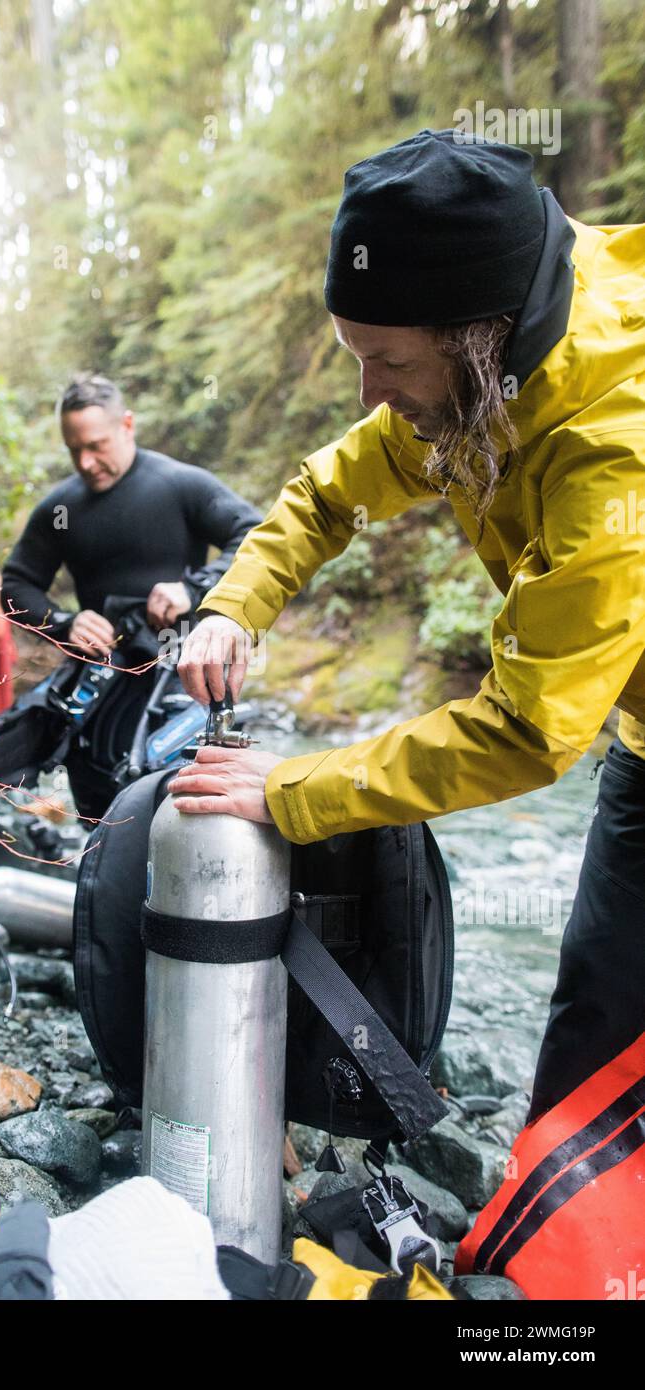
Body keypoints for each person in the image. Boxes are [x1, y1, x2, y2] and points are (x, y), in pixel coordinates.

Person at [171, 129, 645, 1278]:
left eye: (386, 361)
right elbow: (327, 489)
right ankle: (557, 1272)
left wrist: (293, 792)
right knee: (596, 1014)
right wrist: (233, 604)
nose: (369, 392)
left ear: (479, 347)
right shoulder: (477, 370)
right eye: (353, 354)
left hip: (587, 712)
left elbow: (527, 727)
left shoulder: (612, 452)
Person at [1, 372, 261, 818]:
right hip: (101, 684)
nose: (85, 461)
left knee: (184, 810)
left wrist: (194, 588)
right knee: (103, 818)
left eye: (96, 445)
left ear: (127, 425)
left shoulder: (180, 485)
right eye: (73, 449)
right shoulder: (60, 509)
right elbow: (15, 586)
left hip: (183, 676)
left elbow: (255, 534)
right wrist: (65, 623)